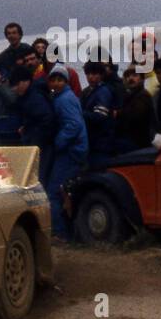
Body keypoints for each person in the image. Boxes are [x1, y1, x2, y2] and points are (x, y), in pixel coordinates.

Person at [46, 67, 88, 239]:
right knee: (66, 192)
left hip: (71, 151)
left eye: (60, 80)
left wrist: (58, 142)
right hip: (74, 149)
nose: (56, 83)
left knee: (55, 191)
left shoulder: (65, 99)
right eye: (53, 79)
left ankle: (60, 233)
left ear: (66, 81)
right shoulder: (61, 97)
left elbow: (74, 124)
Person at [80, 62, 117, 169]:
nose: (91, 77)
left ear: (101, 75)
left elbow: (100, 116)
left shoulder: (103, 91)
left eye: (94, 74)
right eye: (88, 74)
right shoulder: (88, 91)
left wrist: (80, 113)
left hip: (101, 142)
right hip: (94, 141)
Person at [115, 66, 157, 152]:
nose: (130, 78)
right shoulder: (130, 95)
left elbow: (136, 116)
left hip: (139, 141)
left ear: (142, 79)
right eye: (127, 76)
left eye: (135, 75)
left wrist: (118, 113)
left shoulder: (143, 95)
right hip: (132, 139)